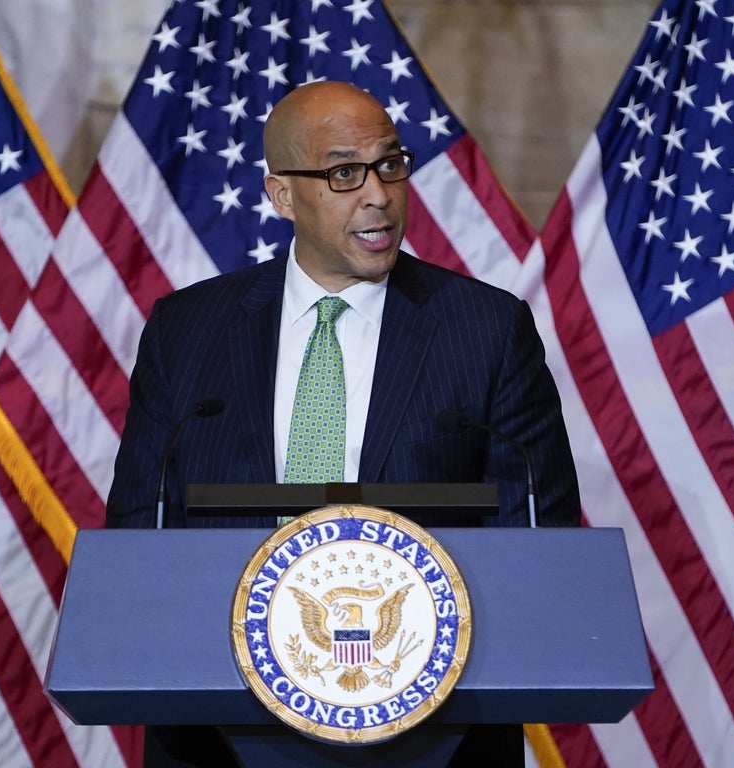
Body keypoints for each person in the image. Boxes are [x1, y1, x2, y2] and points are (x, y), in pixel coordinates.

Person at [106, 80, 581, 766]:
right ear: (281, 195)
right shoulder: (187, 333)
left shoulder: (485, 329)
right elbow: (138, 536)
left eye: (390, 165)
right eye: (342, 173)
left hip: (433, 741)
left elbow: (538, 541)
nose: (378, 195)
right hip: (221, 735)